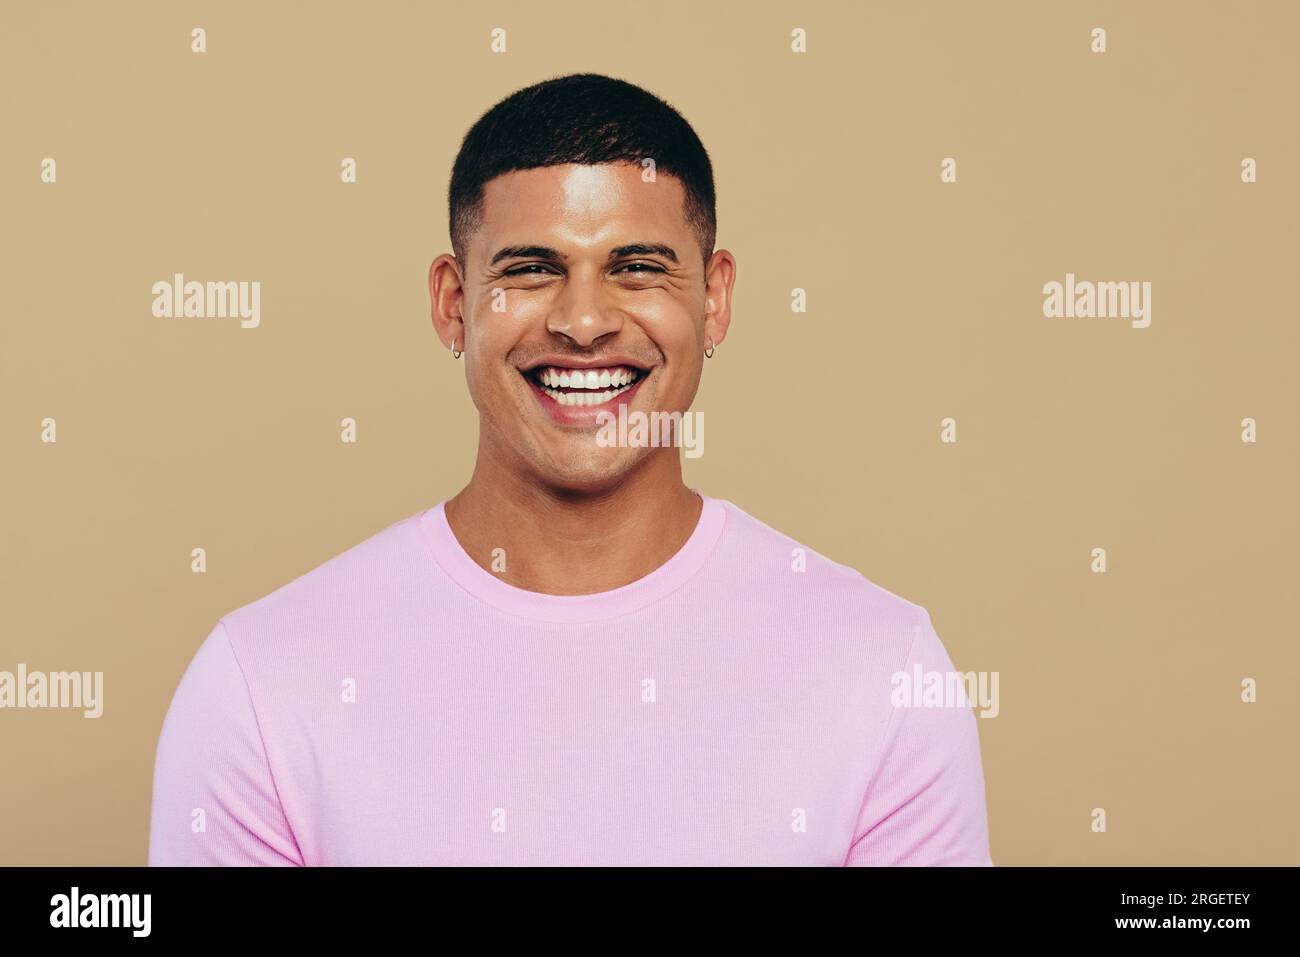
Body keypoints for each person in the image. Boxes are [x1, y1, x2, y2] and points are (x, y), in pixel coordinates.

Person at [148, 72, 992, 866]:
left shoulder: (887, 673)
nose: (584, 321)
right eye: (530, 269)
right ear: (453, 303)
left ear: (715, 299)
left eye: (637, 267)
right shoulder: (259, 685)